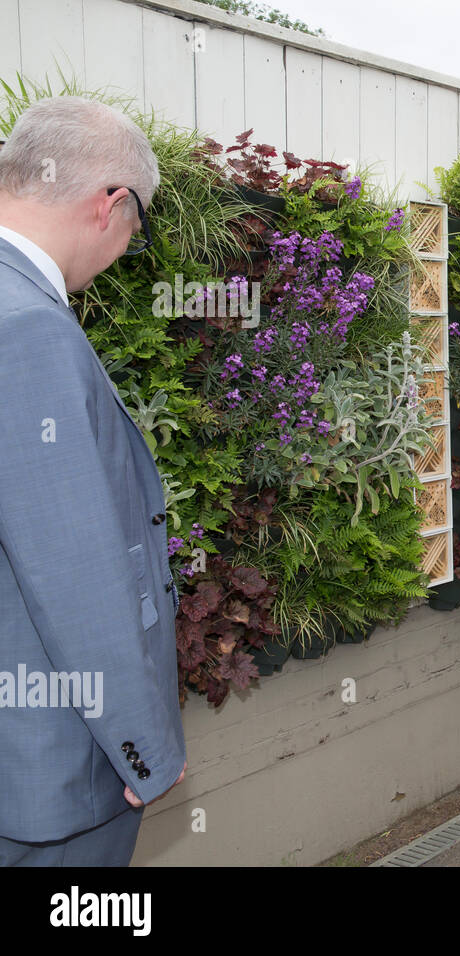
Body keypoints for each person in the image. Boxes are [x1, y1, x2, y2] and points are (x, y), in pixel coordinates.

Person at [0, 96, 187, 865]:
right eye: (137, 230)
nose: (123, 249)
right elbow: (72, 574)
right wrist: (141, 745)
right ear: (111, 204)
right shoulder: (28, 327)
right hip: (49, 774)